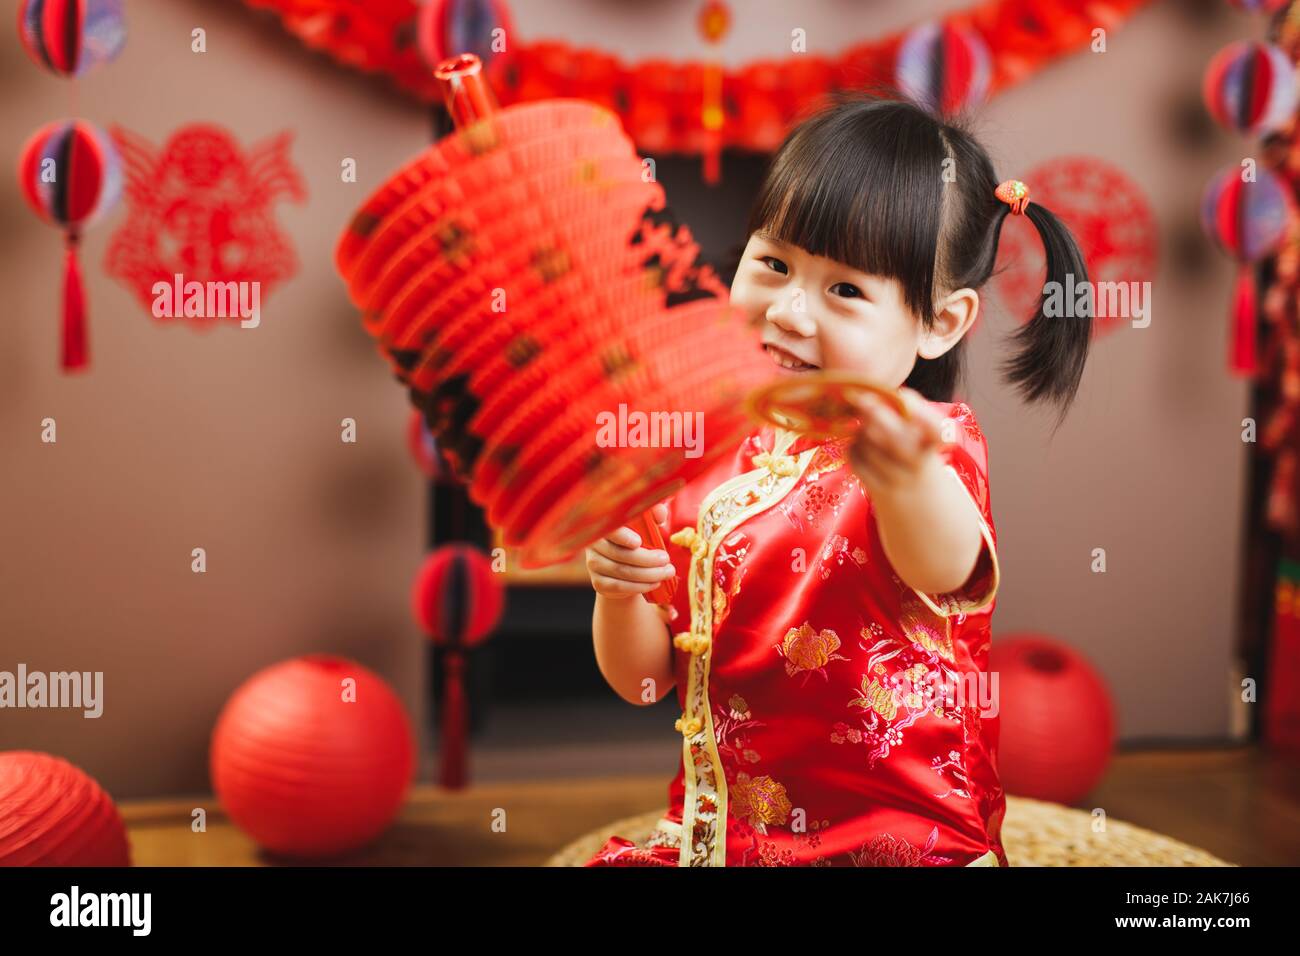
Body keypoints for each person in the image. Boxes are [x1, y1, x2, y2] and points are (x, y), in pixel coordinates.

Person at [583, 93, 1092, 867]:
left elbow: (945, 565)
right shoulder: (707, 452)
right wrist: (619, 594)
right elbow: (647, 680)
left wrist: (903, 481)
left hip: (898, 846)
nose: (788, 311)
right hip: (724, 840)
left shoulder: (926, 447)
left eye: (846, 290)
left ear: (941, 322)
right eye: (774, 264)